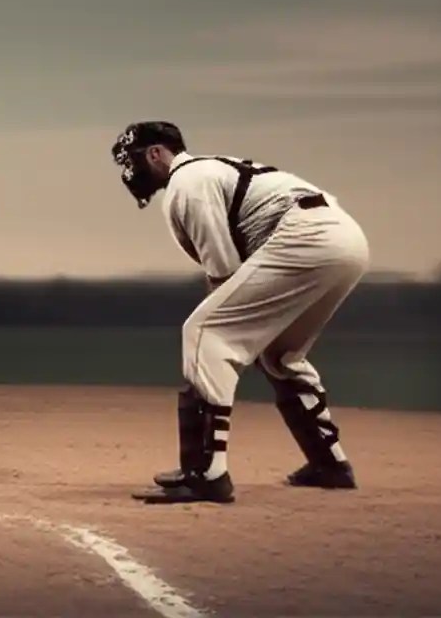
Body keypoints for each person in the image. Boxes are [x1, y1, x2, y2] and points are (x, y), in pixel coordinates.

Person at [110, 121, 368, 504]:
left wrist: (221, 333)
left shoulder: (186, 183)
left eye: (131, 160)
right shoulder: (208, 170)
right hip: (345, 241)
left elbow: (224, 272)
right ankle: (329, 464)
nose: (129, 171)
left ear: (155, 153)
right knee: (280, 355)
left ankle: (206, 474)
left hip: (307, 238)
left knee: (206, 333)